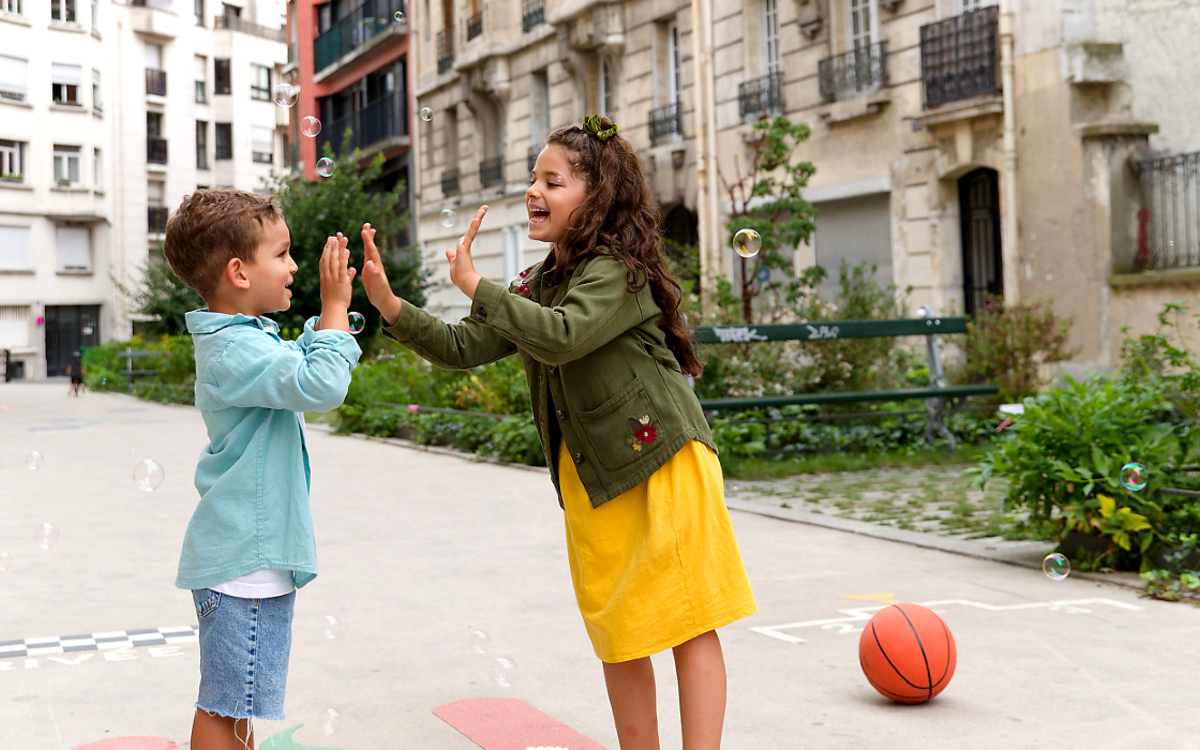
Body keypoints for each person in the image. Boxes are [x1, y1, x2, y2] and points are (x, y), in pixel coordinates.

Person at [360, 115, 756, 750]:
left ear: (595, 196)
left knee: (689, 620)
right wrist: (388, 304)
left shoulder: (618, 270)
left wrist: (475, 284)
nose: (532, 190)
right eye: (532, 178)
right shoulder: (540, 280)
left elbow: (562, 336)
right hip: (594, 475)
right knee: (619, 631)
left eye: (553, 180)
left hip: (664, 461)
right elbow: (465, 344)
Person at [162, 188, 362, 750]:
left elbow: (299, 366)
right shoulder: (234, 350)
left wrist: (325, 327)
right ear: (239, 273)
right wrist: (331, 311)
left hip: (248, 558)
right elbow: (321, 385)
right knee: (225, 707)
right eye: (281, 253)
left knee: (238, 706)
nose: (294, 266)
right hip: (243, 561)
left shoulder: (247, 341)